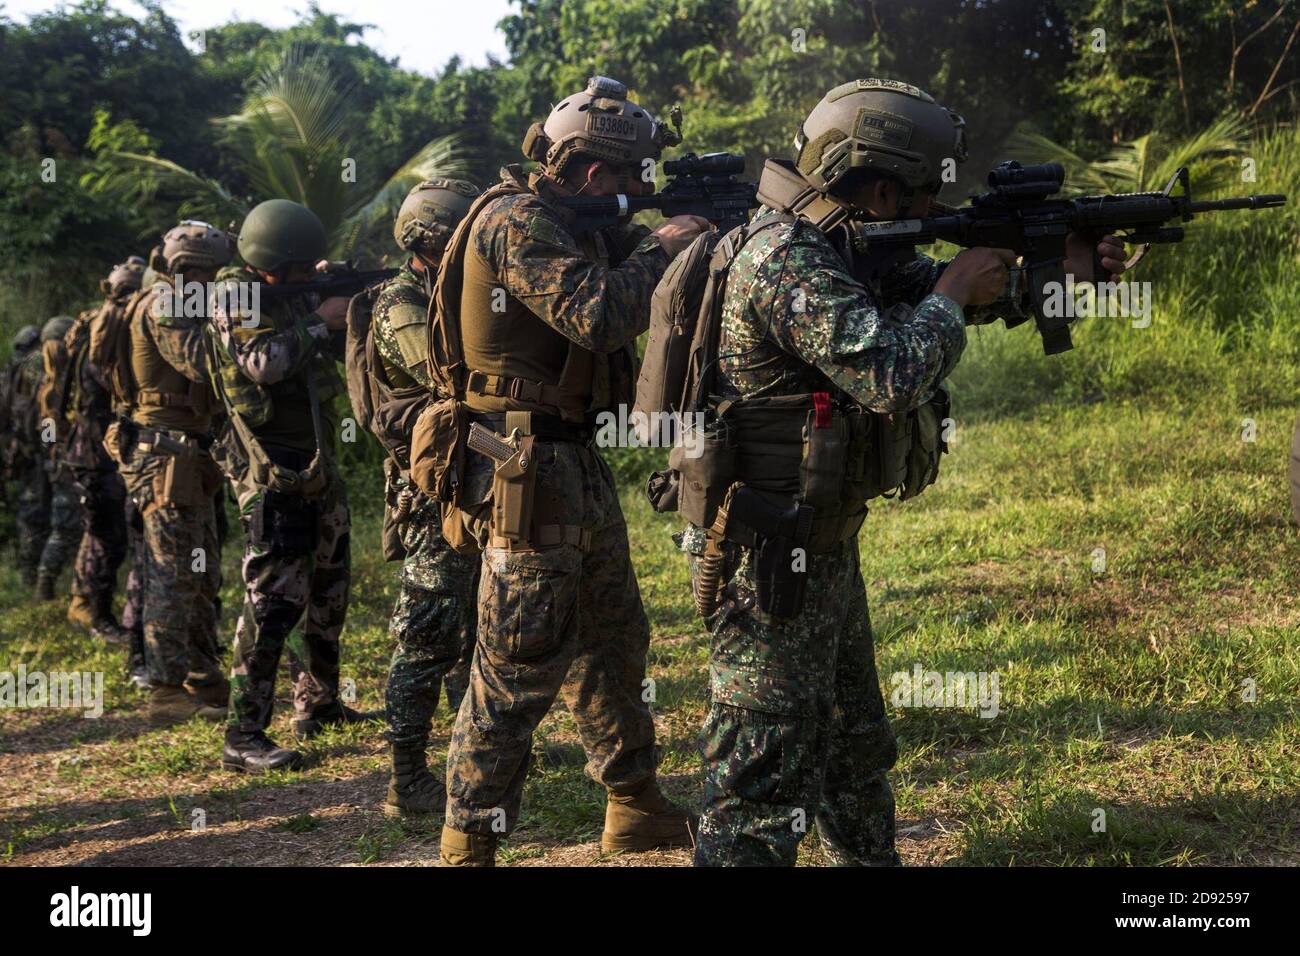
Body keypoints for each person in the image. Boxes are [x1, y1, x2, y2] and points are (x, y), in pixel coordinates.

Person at [680, 78, 1129, 866]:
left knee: (853, 747)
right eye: (922, 193)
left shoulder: (839, 246)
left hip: (819, 543)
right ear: (881, 186)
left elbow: (947, 294)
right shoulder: (785, 259)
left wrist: (1068, 268)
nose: (931, 212)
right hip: (767, 551)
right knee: (758, 778)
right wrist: (956, 291)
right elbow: (889, 368)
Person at [431, 75, 709, 865]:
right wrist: (662, 249)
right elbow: (596, 313)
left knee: (610, 641)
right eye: (630, 178)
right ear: (594, 174)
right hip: (523, 465)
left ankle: (634, 804)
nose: (636, 192)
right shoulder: (518, 223)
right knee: (516, 665)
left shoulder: (569, 220)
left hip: (568, 457)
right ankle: (468, 843)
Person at [207, 199, 373, 773]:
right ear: (266, 262)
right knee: (273, 601)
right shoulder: (234, 294)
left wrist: (323, 295)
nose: (304, 278)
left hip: (312, 462)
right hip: (271, 469)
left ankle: (319, 704)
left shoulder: (283, 285)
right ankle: (242, 734)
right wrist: (317, 317)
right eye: (296, 270)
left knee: (330, 587)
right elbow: (263, 362)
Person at [363, 179, 482, 816]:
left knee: (478, 627)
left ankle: (473, 752)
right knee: (428, 636)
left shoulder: (453, 294)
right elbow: (445, 375)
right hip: (429, 494)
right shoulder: (401, 303)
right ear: (433, 243)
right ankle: (406, 778)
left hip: (474, 482)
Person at [111, 223, 233, 726]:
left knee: (200, 573)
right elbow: (203, 364)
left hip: (186, 455)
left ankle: (201, 676)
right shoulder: (166, 304)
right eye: (206, 272)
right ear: (190, 269)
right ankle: (165, 690)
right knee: (172, 572)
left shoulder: (177, 298)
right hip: (165, 456)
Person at [64, 258, 145, 643]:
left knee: (103, 535)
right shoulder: (107, 332)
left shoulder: (93, 325)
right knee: (108, 540)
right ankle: (98, 617)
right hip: (97, 456)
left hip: (90, 451)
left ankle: (90, 606)